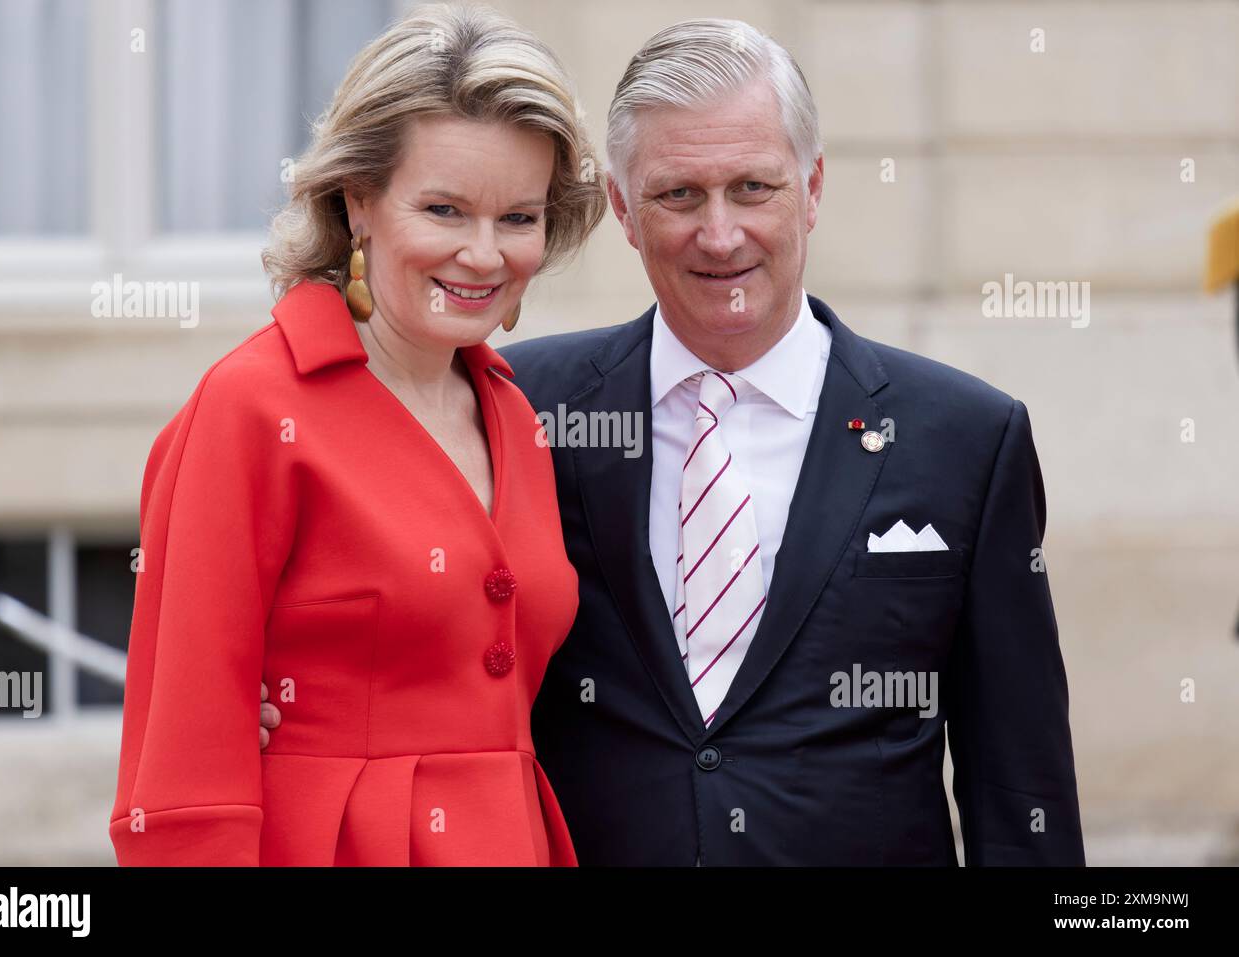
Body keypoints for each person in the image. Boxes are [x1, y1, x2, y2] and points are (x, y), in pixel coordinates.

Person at [264, 18, 1085, 866]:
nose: (719, 235)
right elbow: (408, 624)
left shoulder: (965, 436)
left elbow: (1020, 786)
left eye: (753, 188)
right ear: (623, 208)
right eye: (679, 195)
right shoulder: (513, 408)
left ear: (812, 188)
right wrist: (276, 692)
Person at [110, 3, 605, 866]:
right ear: (358, 200)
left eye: (518, 218)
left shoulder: (516, 416)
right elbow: (182, 781)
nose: (484, 254)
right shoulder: (251, 406)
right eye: (444, 209)